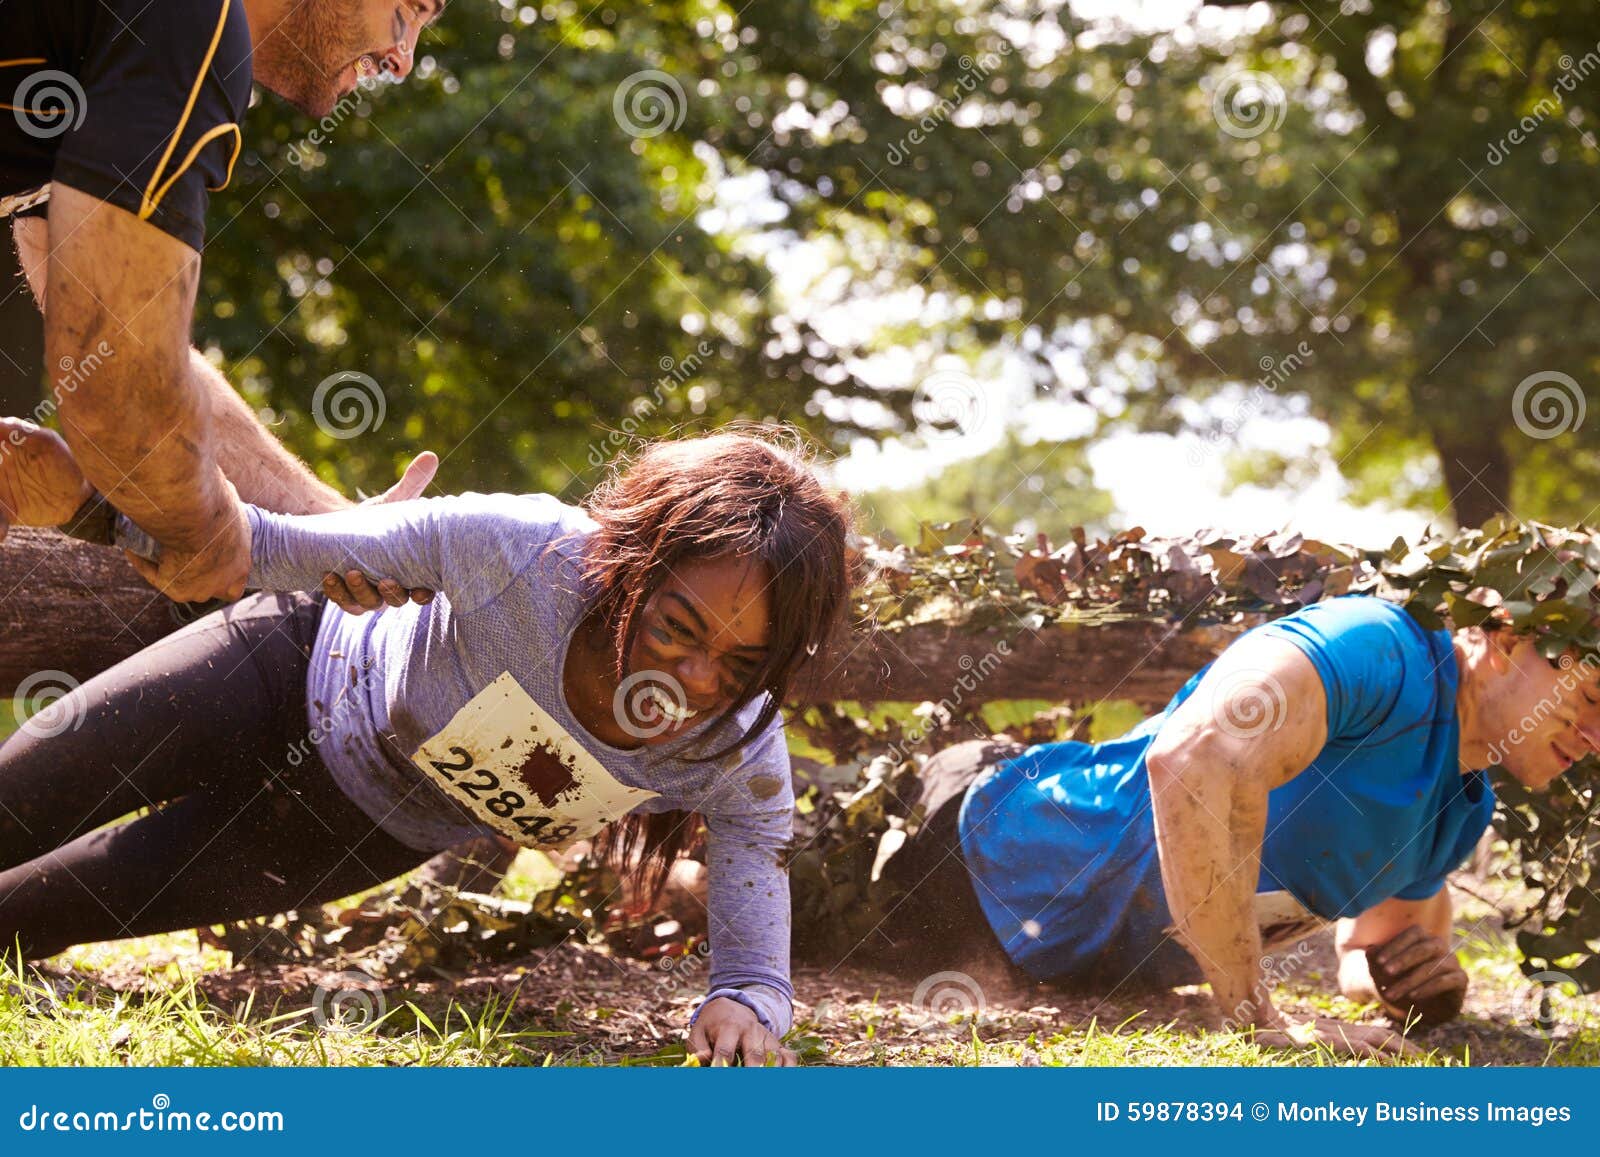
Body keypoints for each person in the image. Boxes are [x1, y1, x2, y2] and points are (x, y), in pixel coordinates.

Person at [0, 427, 857, 1066]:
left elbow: (754, 965)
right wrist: (89, 509)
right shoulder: (519, 550)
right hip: (281, 670)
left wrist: (745, 1010)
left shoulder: (737, 752)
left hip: (354, 829)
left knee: (21, 918)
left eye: (742, 662)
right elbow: (261, 546)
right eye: (679, 627)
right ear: (631, 562)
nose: (700, 677)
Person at [854, 594, 1600, 1055]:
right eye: (1592, 694)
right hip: (962, 842)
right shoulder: (1377, 646)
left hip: (1062, 959)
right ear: (1505, 638)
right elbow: (1190, 761)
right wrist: (1254, 1015)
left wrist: (1411, 985)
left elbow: (1366, 957)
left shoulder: (1460, 814)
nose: (1597, 735)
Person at [1, 0, 449, 607]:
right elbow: (117, 388)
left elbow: (118, 344)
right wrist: (207, 532)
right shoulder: (191, 22)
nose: (404, 58)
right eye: (412, 7)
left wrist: (335, 528)